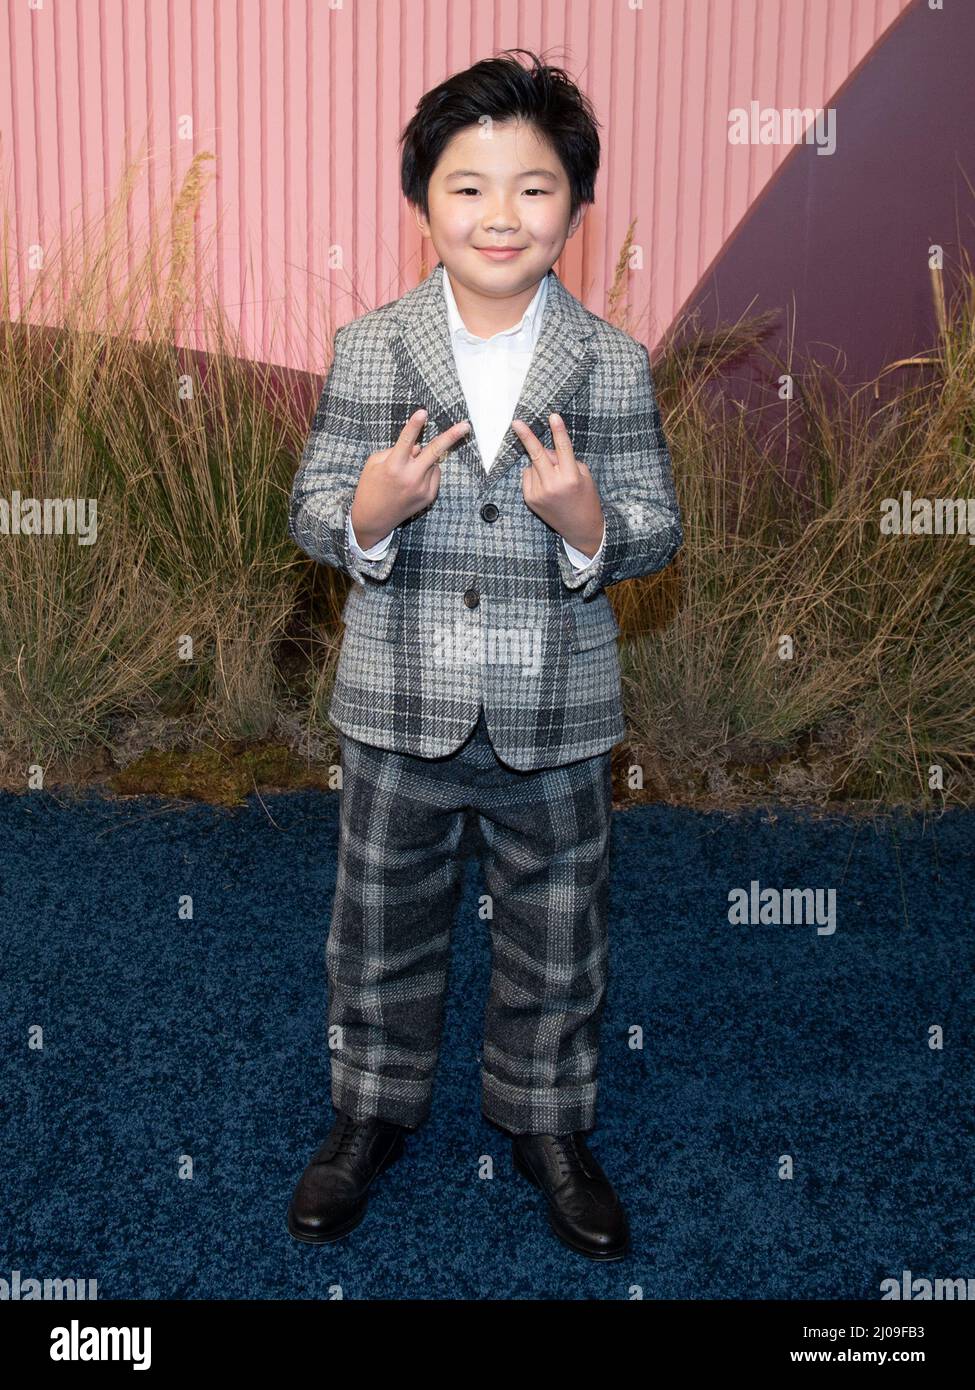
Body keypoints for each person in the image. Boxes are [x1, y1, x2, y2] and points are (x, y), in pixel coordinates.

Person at [285, 48, 683, 1261]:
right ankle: (370, 1111)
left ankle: (547, 1122)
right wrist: (368, 509)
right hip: (398, 705)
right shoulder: (370, 345)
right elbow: (311, 512)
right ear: (422, 201)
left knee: (560, 931)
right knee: (378, 925)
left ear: (575, 205)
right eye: (467, 187)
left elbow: (657, 527)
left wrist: (590, 530)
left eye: (534, 188)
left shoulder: (611, 360)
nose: (499, 216)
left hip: (558, 715)